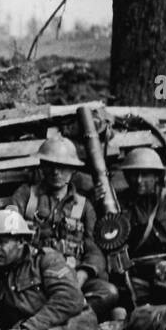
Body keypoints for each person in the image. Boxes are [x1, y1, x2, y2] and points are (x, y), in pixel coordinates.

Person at [7, 135, 118, 319]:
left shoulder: (84, 206)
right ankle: (65, 318)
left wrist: (82, 275)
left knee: (108, 293)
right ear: (42, 166)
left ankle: (58, 317)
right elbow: (8, 234)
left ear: (73, 169)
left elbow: (94, 249)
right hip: (36, 279)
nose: (56, 171)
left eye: (63, 166)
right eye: (50, 165)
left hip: (72, 276)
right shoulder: (27, 196)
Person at [115, 147, 166, 307]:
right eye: (134, 174)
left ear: (157, 176)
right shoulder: (120, 204)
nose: (139, 180)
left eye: (145, 174)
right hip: (141, 268)